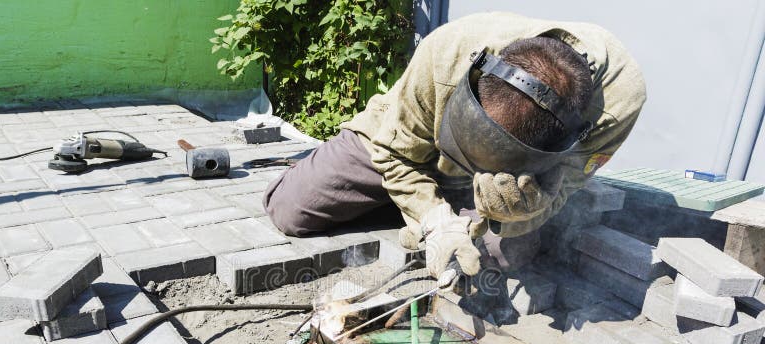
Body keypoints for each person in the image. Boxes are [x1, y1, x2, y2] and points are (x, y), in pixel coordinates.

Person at [263, 11, 646, 280]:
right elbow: (396, 152)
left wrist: (520, 214)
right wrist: (434, 219)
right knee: (290, 211)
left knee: (504, 256)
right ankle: (410, 203)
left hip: (480, 189)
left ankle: (412, 204)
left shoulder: (618, 104)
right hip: (405, 145)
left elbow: (560, 193)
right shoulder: (448, 51)